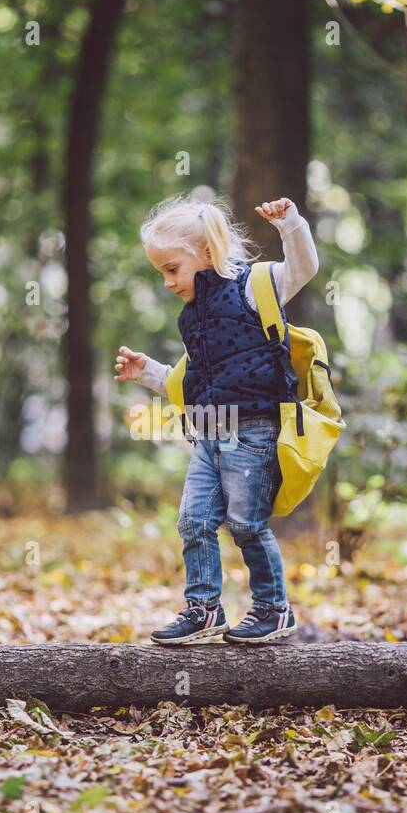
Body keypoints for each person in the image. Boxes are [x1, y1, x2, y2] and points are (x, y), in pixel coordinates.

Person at [114, 194, 319, 644]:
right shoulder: (193, 320)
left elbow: (303, 269)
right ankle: (204, 609)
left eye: (172, 269)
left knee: (246, 524)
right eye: (161, 273)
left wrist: (290, 225)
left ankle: (273, 608)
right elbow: (187, 383)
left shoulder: (254, 286)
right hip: (208, 432)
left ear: (207, 252)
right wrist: (147, 372)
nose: (167, 282)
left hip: (255, 430)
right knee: (193, 520)